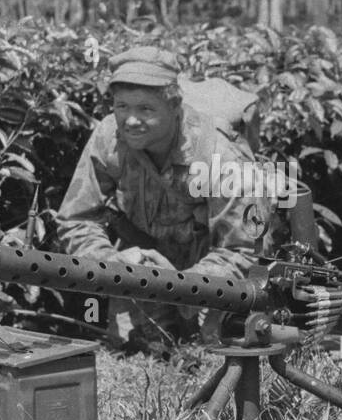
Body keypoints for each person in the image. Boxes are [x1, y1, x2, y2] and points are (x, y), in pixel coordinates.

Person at [55, 46, 268, 349]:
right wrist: (110, 261)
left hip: (214, 265)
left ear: (175, 105)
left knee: (213, 349)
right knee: (132, 349)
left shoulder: (219, 153)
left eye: (145, 109)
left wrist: (181, 285)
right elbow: (76, 219)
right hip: (141, 259)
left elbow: (245, 250)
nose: (130, 120)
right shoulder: (107, 137)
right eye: (121, 107)